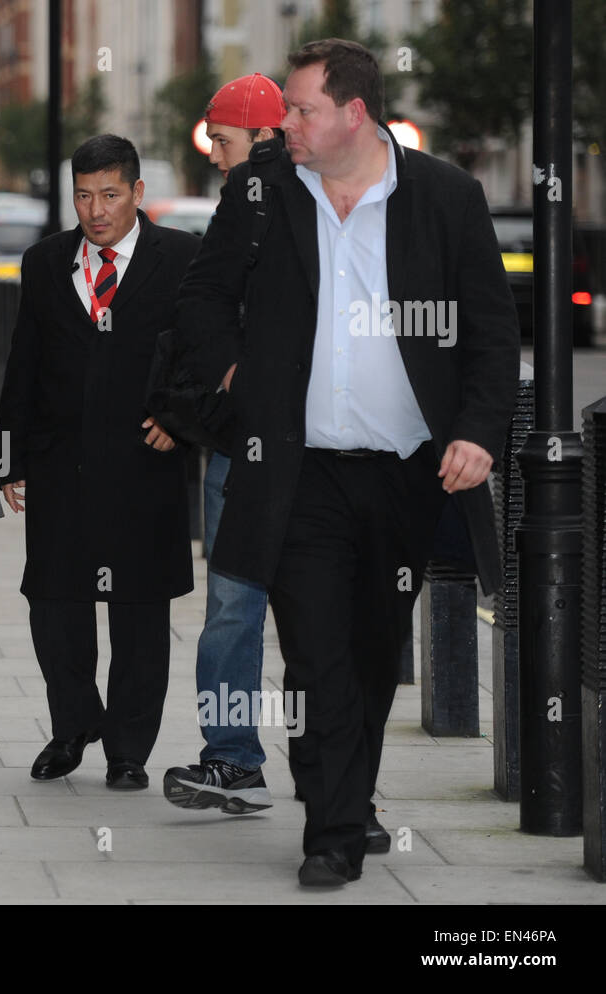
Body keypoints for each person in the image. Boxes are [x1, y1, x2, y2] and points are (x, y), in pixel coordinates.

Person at [166, 39, 518, 886]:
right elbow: (202, 298)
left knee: (369, 650)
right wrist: (235, 375)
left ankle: (350, 806)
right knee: (316, 652)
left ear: (353, 113)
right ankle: (330, 830)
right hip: (299, 470)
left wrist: (476, 432)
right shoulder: (262, 192)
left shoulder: (444, 196)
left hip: (405, 471)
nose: (285, 123)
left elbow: (490, 332)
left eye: (301, 109)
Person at [0, 134, 199, 789]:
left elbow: (206, 353)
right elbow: (23, 360)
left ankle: (130, 750)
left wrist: (179, 420)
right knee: (54, 603)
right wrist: (10, 457)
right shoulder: (45, 261)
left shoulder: (184, 260)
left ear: (138, 193)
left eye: (110, 194)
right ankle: (74, 726)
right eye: (83, 195)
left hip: (146, 463)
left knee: (140, 610)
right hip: (61, 464)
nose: (96, 208)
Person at [160, 74, 283, 814]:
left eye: (227, 144)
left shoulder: (266, 192)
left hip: (260, 441)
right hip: (259, 434)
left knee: (237, 608)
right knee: (254, 609)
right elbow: (205, 298)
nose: (221, 161)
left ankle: (237, 758)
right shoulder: (258, 198)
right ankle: (271, 767)